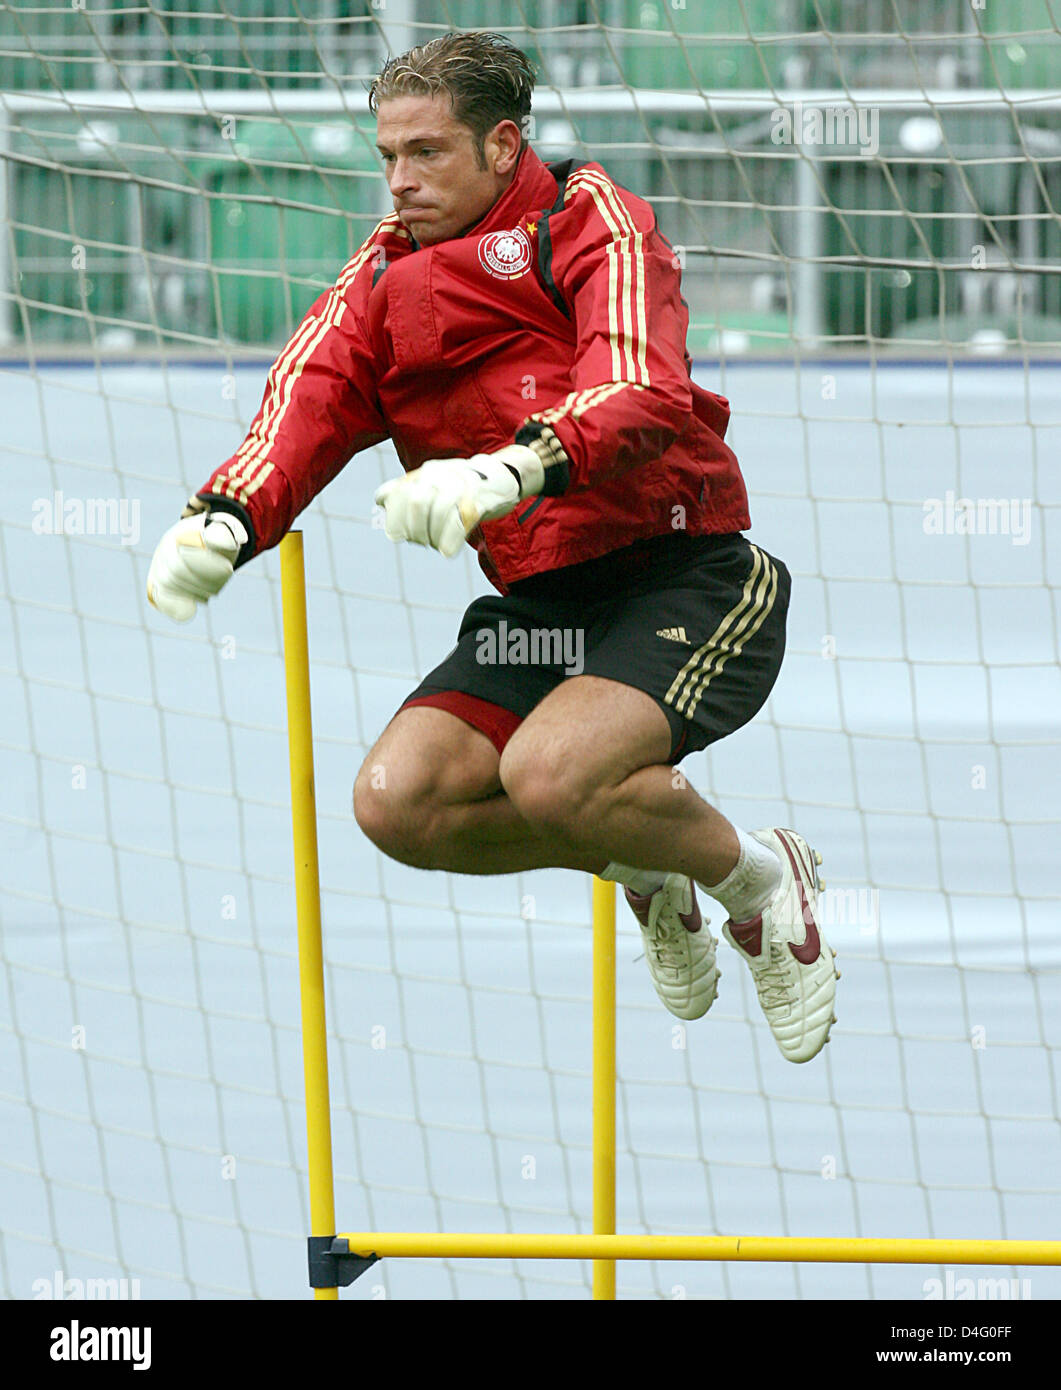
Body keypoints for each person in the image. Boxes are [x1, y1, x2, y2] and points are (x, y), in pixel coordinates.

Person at [146, 31, 837, 1062]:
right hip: (541, 607)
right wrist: (226, 517)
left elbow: (640, 387)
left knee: (550, 775)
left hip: (685, 576)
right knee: (398, 805)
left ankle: (761, 878)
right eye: (387, 155)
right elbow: (306, 402)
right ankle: (645, 865)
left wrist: (513, 468)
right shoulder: (380, 275)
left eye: (425, 152)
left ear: (503, 145)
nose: (398, 180)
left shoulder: (590, 218)